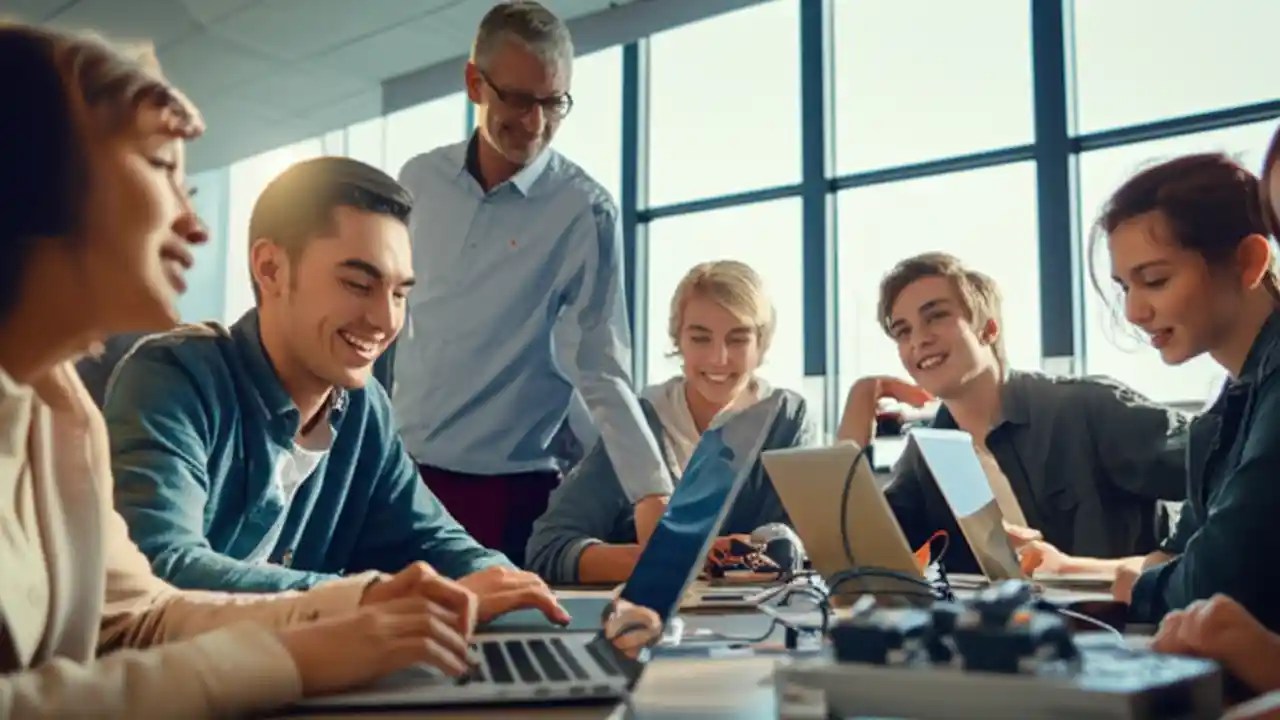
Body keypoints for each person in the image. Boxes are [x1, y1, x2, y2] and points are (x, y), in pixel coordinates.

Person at [0, 23, 480, 717]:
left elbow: (138, 619)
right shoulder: (170, 374)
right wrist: (296, 654)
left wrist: (365, 608)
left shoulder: (59, 408)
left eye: (401, 290)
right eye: (164, 169)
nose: (195, 224)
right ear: (38, 174)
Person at [104, 156, 569, 625]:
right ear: (270, 269)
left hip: (303, 681)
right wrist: (378, 599)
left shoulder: (365, 412)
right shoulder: (173, 377)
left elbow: (435, 540)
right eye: (357, 284)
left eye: (399, 293)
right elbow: (161, 567)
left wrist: (506, 586)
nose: (385, 321)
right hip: (183, 684)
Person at [392, 0, 669, 566]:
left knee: (505, 647)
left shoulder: (585, 210)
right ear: (475, 83)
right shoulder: (417, 181)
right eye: (518, 100)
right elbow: (389, 322)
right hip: (405, 476)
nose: (536, 124)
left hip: (515, 488)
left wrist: (651, 492)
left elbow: (601, 365)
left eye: (553, 103)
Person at [1021, 148, 1280, 632]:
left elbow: (1213, 580)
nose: (1135, 312)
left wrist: (1139, 587)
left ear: (1248, 262)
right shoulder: (1232, 402)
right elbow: (1179, 555)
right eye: (1124, 287)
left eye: (1155, 280)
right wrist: (1065, 566)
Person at [838, 252, 1188, 575]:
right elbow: (860, 556)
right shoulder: (927, 453)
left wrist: (1161, 565)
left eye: (937, 316)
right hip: (1003, 637)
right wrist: (860, 401)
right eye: (903, 331)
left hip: (1129, 633)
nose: (919, 339)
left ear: (989, 329)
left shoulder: (1085, 408)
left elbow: (1227, 469)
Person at [526, 261, 817, 584]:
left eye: (737, 339)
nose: (718, 358)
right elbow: (548, 549)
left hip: (757, 622)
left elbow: (798, 544)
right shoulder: (638, 422)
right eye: (700, 338)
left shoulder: (786, 417)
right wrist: (678, 558)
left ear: (761, 344)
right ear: (678, 340)